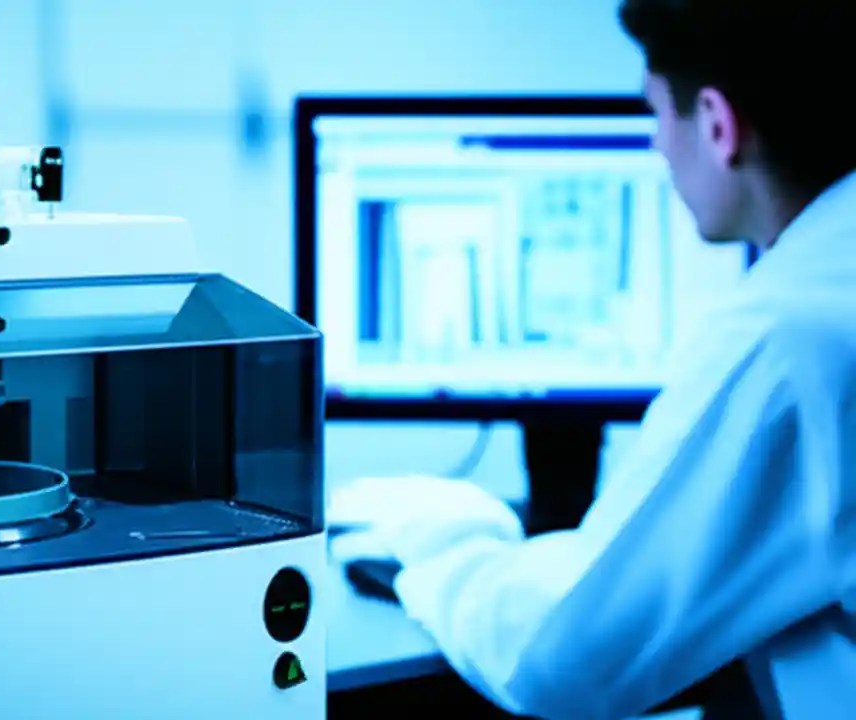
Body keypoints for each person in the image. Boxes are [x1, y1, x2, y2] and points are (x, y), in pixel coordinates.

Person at [330, 1, 856, 717]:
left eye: (655, 115)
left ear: (717, 124)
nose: (657, 146)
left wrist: (441, 546)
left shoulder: (790, 332)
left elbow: (558, 660)